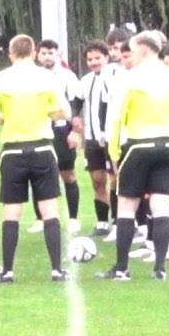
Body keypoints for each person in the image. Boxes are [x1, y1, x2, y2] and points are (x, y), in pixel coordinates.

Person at [98, 31, 169, 281]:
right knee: (160, 205)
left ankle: (121, 268)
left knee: (127, 206)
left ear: (143, 50)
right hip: (168, 146)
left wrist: (114, 155)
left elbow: (116, 119)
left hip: (138, 145)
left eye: (133, 51)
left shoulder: (128, 79)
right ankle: (160, 268)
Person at [0, 34, 72, 284]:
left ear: (11, 54)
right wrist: (46, 114)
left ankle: (8, 270)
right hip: (42, 147)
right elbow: (63, 112)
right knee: (49, 208)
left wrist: (7, 119)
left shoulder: (1, 78)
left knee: (12, 210)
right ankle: (56, 269)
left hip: (13, 150)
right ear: (33, 53)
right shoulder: (46, 77)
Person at [71, 41, 118, 241]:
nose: (93, 62)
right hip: (91, 138)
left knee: (116, 180)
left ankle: (119, 221)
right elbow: (76, 101)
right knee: (97, 180)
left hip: (111, 138)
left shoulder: (115, 77)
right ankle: (102, 222)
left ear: (107, 57)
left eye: (97, 58)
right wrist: (76, 116)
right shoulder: (86, 80)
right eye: (90, 59)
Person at [36, 39, 83, 234]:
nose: (47, 57)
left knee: (68, 173)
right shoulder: (34, 76)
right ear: (37, 55)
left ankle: (73, 218)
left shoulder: (67, 76)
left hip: (61, 129)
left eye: (51, 53)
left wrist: (74, 131)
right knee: (39, 174)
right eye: (44, 53)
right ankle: (40, 219)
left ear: (57, 55)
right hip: (40, 130)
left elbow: (76, 103)